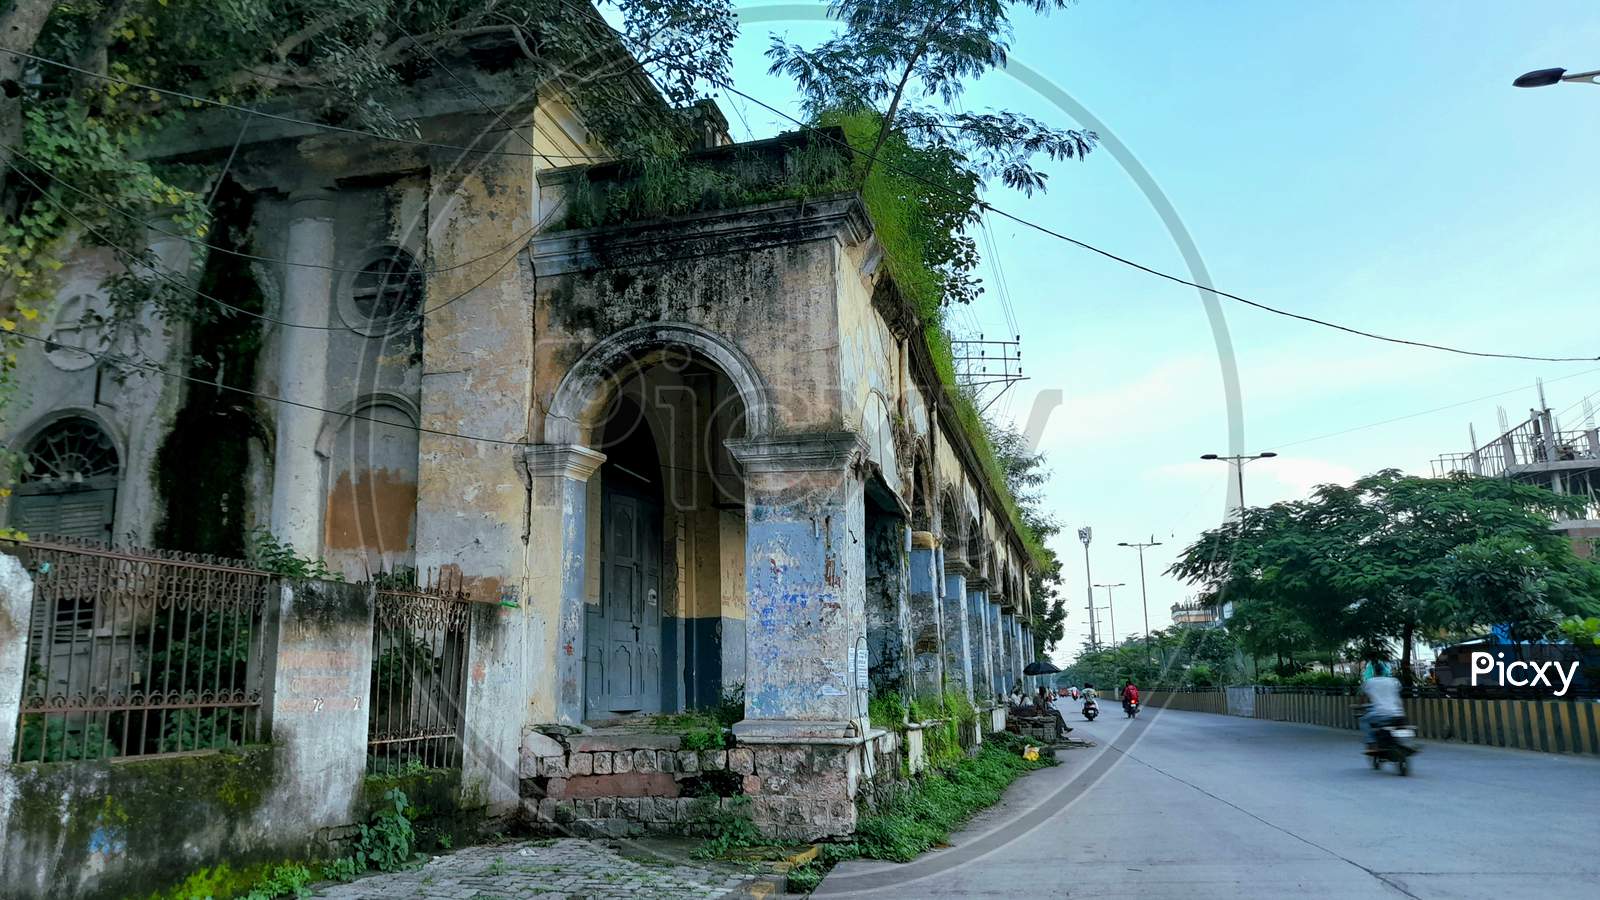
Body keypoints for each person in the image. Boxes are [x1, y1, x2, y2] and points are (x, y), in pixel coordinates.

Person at [1358, 661, 1405, 750]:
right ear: (1384, 671)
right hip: (1398, 713)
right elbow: (1398, 695)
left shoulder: (1369, 682)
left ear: (1374, 672)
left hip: (1380, 713)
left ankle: (1371, 743)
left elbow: (1362, 697)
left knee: (1363, 720)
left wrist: (1360, 705)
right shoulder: (1394, 681)